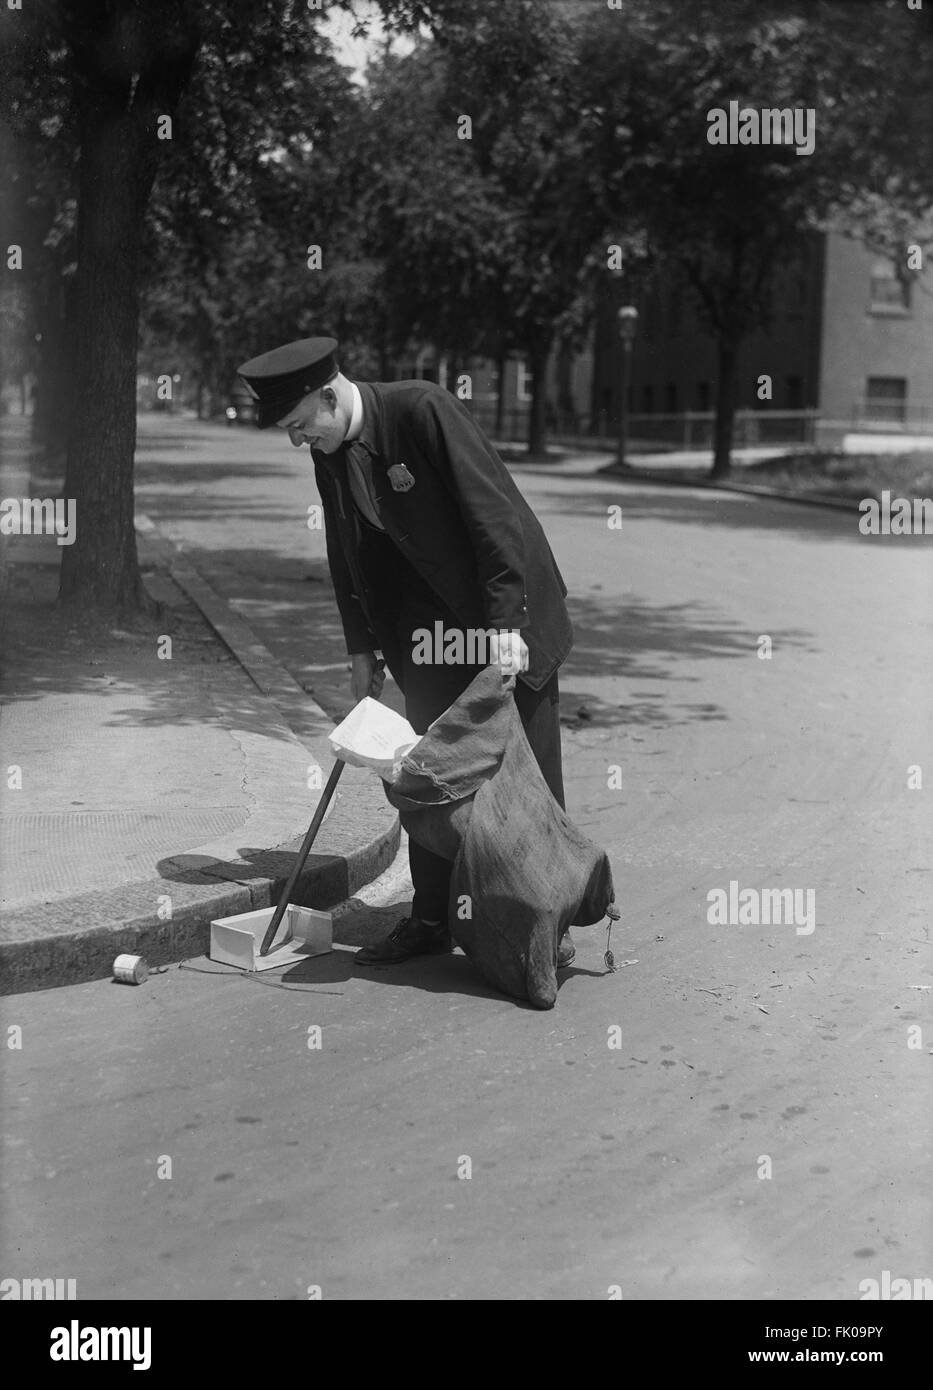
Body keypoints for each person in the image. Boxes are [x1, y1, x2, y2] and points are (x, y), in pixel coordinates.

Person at [237, 336, 575, 965]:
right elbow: (347, 553)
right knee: (427, 772)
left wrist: (506, 625)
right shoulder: (330, 448)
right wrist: (361, 646)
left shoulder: (423, 410)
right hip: (429, 635)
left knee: (525, 773)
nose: (296, 439)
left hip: (505, 619)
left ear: (330, 396)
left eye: (298, 423)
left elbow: (493, 515)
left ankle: (547, 926)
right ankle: (430, 919)